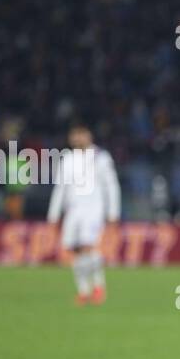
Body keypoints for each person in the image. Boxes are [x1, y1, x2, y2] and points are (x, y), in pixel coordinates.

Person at [47, 122, 121, 305]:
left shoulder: (101, 157)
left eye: (81, 134)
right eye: (75, 134)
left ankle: (98, 286)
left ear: (89, 136)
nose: (77, 138)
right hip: (73, 210)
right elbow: (60, 188)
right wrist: (53, 215)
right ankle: (83, 290)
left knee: (89, 247)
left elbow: (111, 186)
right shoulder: (67, 159)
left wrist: (113, 212)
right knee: (75, 250)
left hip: (93, 209)